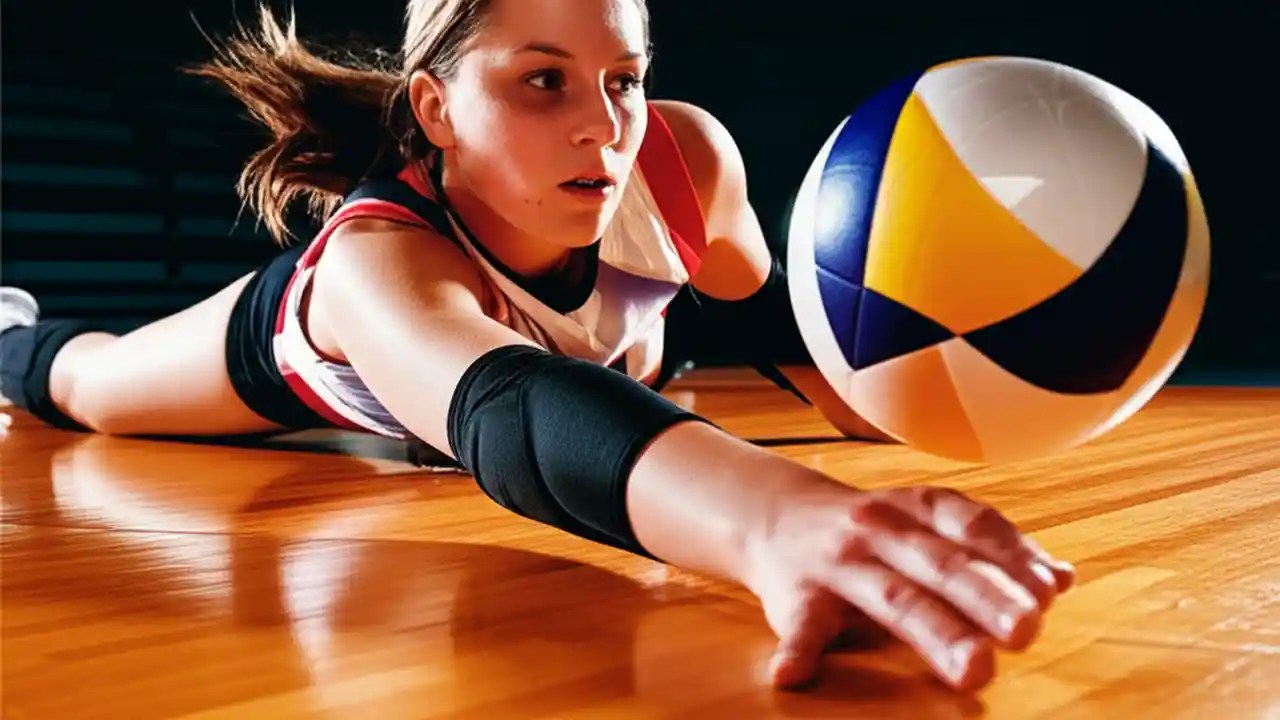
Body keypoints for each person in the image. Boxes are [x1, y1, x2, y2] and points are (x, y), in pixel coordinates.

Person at [0, 0, 1074, 692]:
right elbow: (509, 412)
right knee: (88, 383)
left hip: (570, 363)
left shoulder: (682, 159)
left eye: (623, 77)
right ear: (435, 107)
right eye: (543, 80)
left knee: (619, 365)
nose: (604, 127)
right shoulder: (377, 262)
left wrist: (878, 401)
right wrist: (773, 517)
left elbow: (770, 320)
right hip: (312, 352)